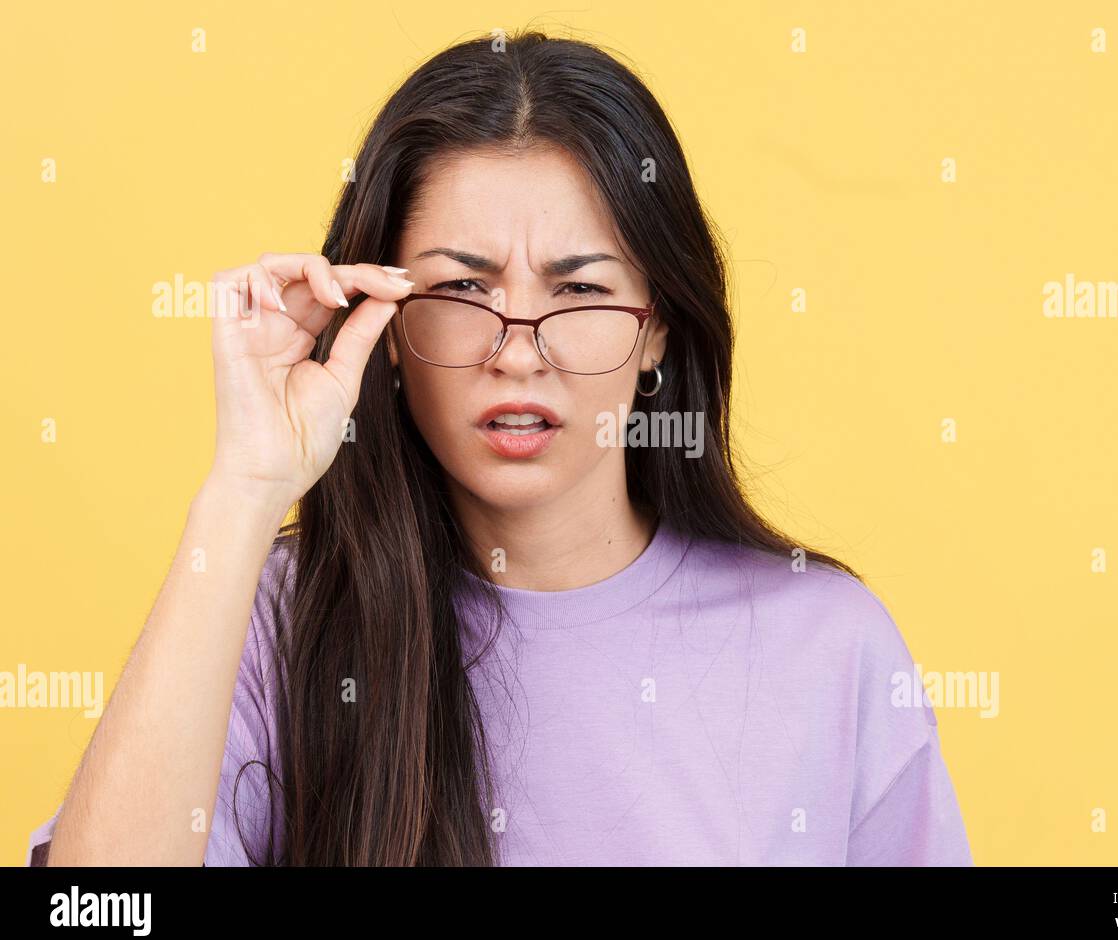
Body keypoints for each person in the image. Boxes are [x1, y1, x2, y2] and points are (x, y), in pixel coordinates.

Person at [28, 28, 973, 866]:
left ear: (658, 332)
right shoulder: (282, 624)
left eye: (581, 292)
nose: (518, 352)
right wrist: (242, 488)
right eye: (463, 291)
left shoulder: (828, 645)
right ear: (386, 331)